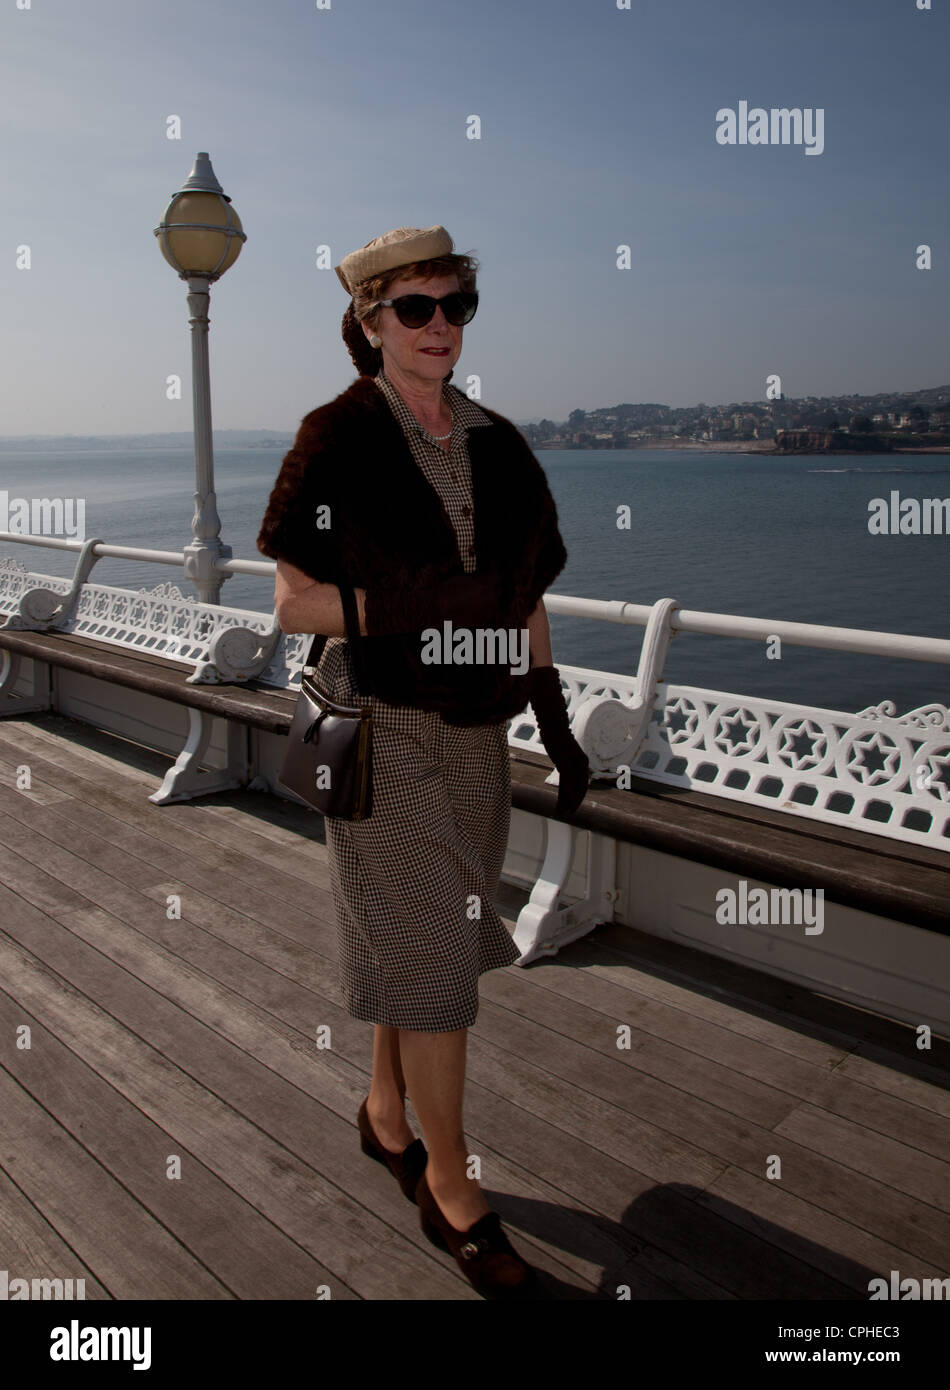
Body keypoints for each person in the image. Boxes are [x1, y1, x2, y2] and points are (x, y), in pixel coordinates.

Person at [257, 224, 589, 1299]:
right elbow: (294, 602)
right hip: (381, 727)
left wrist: (554, 714)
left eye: (454, 307)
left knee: (418, 951)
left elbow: (524, 596)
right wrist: (416, 606)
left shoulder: (496, 442)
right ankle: (450, 1186)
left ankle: (384, 1115)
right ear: (368, 320)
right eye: (415, 308)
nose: (438, 326)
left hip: (477, 736)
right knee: (439, 970)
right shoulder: (336, 438)